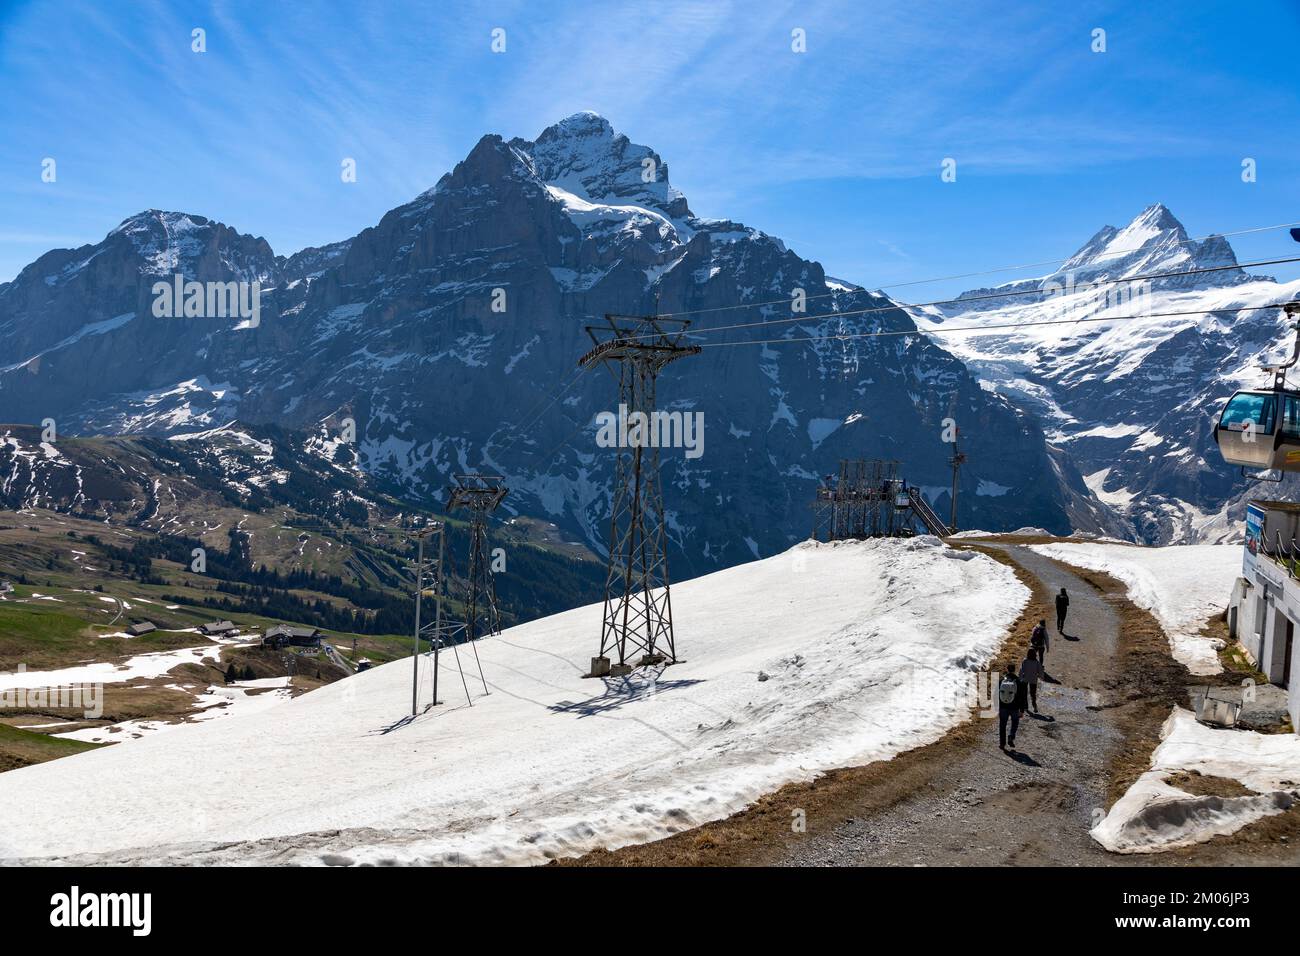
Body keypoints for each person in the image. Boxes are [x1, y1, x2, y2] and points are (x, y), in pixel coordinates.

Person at [997, 662, 1026, 750]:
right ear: (1014, 670)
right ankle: (1011, 736)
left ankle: (1002, 744)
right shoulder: (1018, 681)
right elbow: (1022, 697)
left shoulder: (1001, 681)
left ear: (1007, 669)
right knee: (1015, 722)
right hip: (1015, 707)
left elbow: (997, 695)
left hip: (1003, 706)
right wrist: (1022, 710)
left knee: (1002, 725)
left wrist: (997, 707)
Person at [1018, 649, 1043, 714]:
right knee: (1033, 694)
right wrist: (1041, 677)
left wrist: (1019, 678)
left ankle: (1026, 707)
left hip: (1025, 679)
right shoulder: (1037, 662)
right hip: (1033, 679)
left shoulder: (1025, 661)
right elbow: (1040, 671)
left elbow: (1021, 670)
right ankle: (1034, 706)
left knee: (1024, 693)